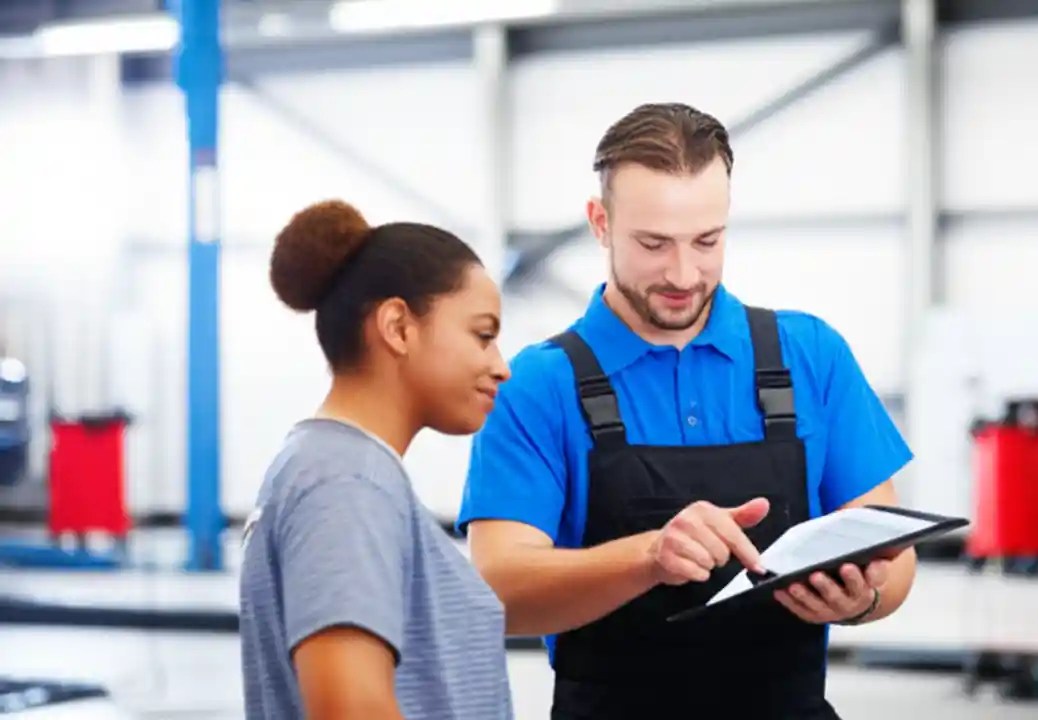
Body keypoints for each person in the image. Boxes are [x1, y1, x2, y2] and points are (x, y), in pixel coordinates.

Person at [458, 102, 918, 720]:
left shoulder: (812, 354)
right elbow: (498, 591)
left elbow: (895, 555)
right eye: (653, 243)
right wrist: (647, 558)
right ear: (600, 223)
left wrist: (861, 599)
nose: (683, 273)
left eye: (707, 241)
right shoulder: (536, 386)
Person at [239, 199, 514, 720]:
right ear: (397, 327)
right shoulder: (346, 483)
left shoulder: (342, 472)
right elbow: (350, 709)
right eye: (482, 335)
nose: (500, 367)